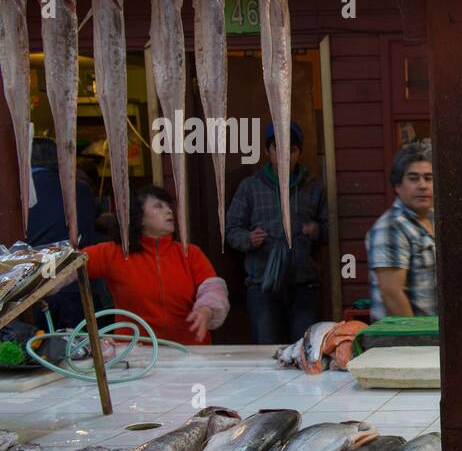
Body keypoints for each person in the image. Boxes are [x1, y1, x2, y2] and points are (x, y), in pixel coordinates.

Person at [81, 186, 230, 345]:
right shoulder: (112, 253)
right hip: (136, 355)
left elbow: (212, 287)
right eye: (158, 206)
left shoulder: (190, 253)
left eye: (168, 206)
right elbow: (66, 266)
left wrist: (206, 308)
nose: (169, 211)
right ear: (140, 218)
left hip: (190, 351)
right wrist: (51, 266)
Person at [225, 120, 328, 343]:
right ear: (267, 151)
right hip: (262, 285)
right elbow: (232, 229)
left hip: (304, 285)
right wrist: (249, 239)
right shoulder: (250, 187)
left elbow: (330, 229)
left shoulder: (314, 187)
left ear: (299, 153)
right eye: (277, 149)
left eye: (291, 150)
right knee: (266, 352)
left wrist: (316, 230)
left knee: (304, 350)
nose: (284, 157)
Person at [24, 137, 113, 329]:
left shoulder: (20, 190)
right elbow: (88, 227)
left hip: (28, 289)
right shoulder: (78, 189)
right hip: (74, 289)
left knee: (36, 352)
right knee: (81, 351)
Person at [366, 141, 437, 319]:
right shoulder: (392, 227)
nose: (423, 185)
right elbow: (392, 294)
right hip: (404, 341)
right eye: (413, 178)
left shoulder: (434, 218)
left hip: (435, 336)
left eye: (429, 178)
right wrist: (416, 340)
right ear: (398, 186)